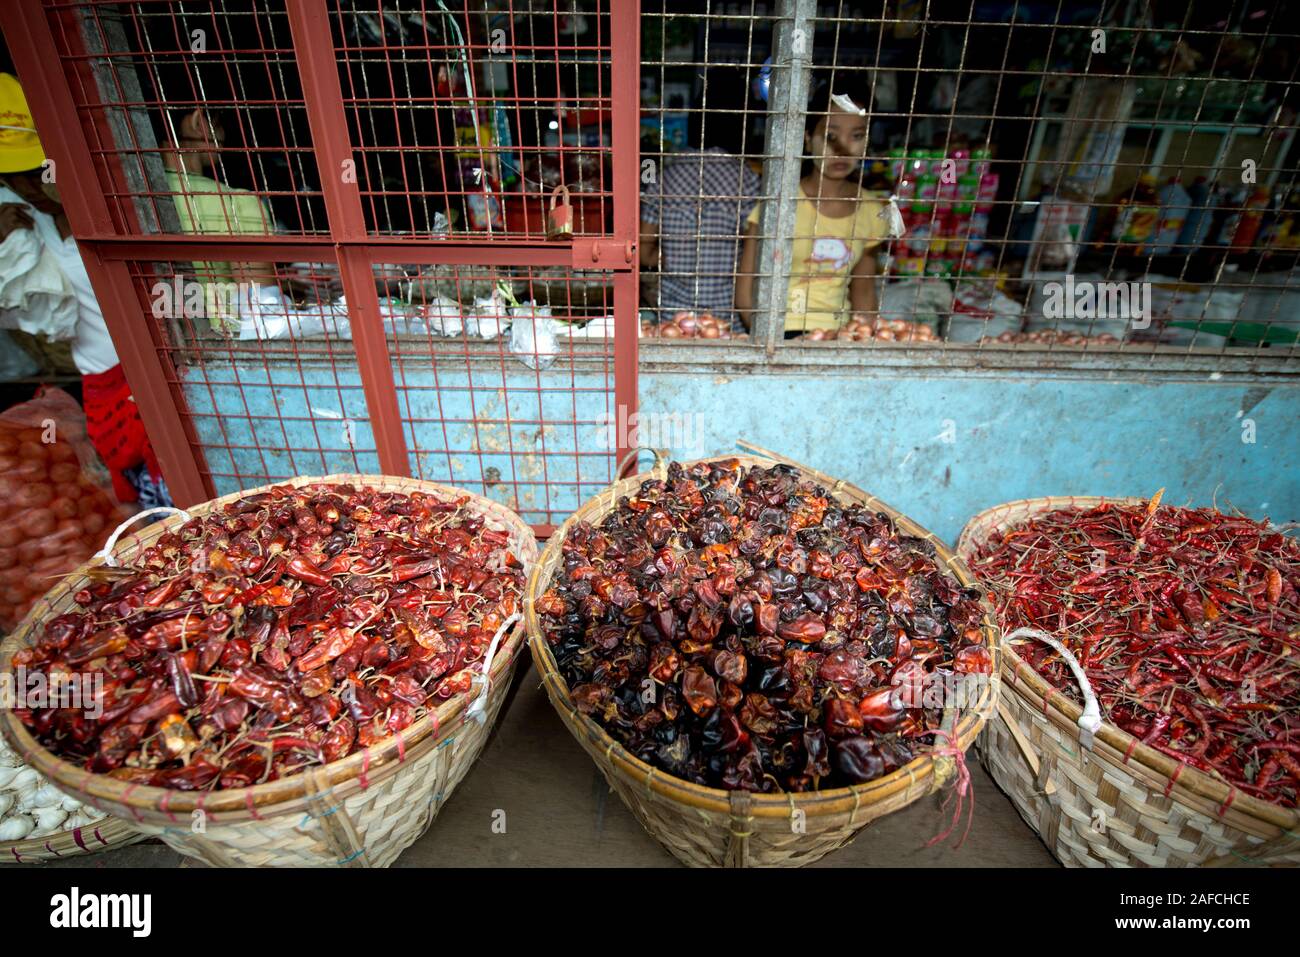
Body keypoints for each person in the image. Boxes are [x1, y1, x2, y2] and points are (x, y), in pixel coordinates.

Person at [0, 72, 170, 507]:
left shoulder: (110, 211)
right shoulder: (21, 223)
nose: (32, 184)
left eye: (37, 170)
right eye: (17, 175)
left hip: (159, 375)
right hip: (103, 386)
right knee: (150, 508)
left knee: (179, 491)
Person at [736, 87, 888, 335]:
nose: (843, 149)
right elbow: (745, 293)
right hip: (779, 335)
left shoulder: (872, 210)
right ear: (807, 139)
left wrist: (860, 340)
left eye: (857, 136)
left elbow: (864, 293)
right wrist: (769, 344)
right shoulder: (777, 205)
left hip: (837, 339)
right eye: (830, 136)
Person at [639, 68, 761, 329]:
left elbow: (643, 251)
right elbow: (755, 256)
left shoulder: (664, 176)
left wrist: (671, 256)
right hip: (726, 324)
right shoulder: (748, 180)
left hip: (675, 321)